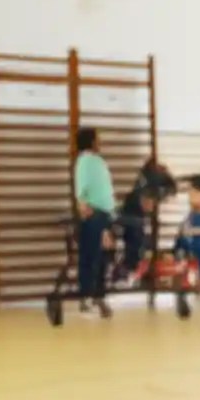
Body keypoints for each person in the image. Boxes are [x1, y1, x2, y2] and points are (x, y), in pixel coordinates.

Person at [73, 127, 116, 317]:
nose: (100, 141)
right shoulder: (84, 161)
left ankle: (99, 295)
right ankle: (86, 298)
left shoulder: (99, 161)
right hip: (94, 214)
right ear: (90, 142)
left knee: (104, 257)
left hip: (106, 214)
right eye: (97, 139)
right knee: (90, 256)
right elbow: (81, 187)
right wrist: (82, 204)